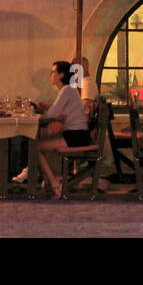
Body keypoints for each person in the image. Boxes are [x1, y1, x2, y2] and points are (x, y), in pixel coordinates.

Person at [33, 60, 91, 198]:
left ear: (61, 75)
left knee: (35, 147)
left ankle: (54, 184)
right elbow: (60, 112)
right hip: (79, 134)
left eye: (53, 72)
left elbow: (52, 114)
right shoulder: (69, 90)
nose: (50, 75)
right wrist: (47, 108)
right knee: (40, 139)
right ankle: (48, 183)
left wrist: (36, 115)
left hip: (76, 136)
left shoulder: (66, 90)